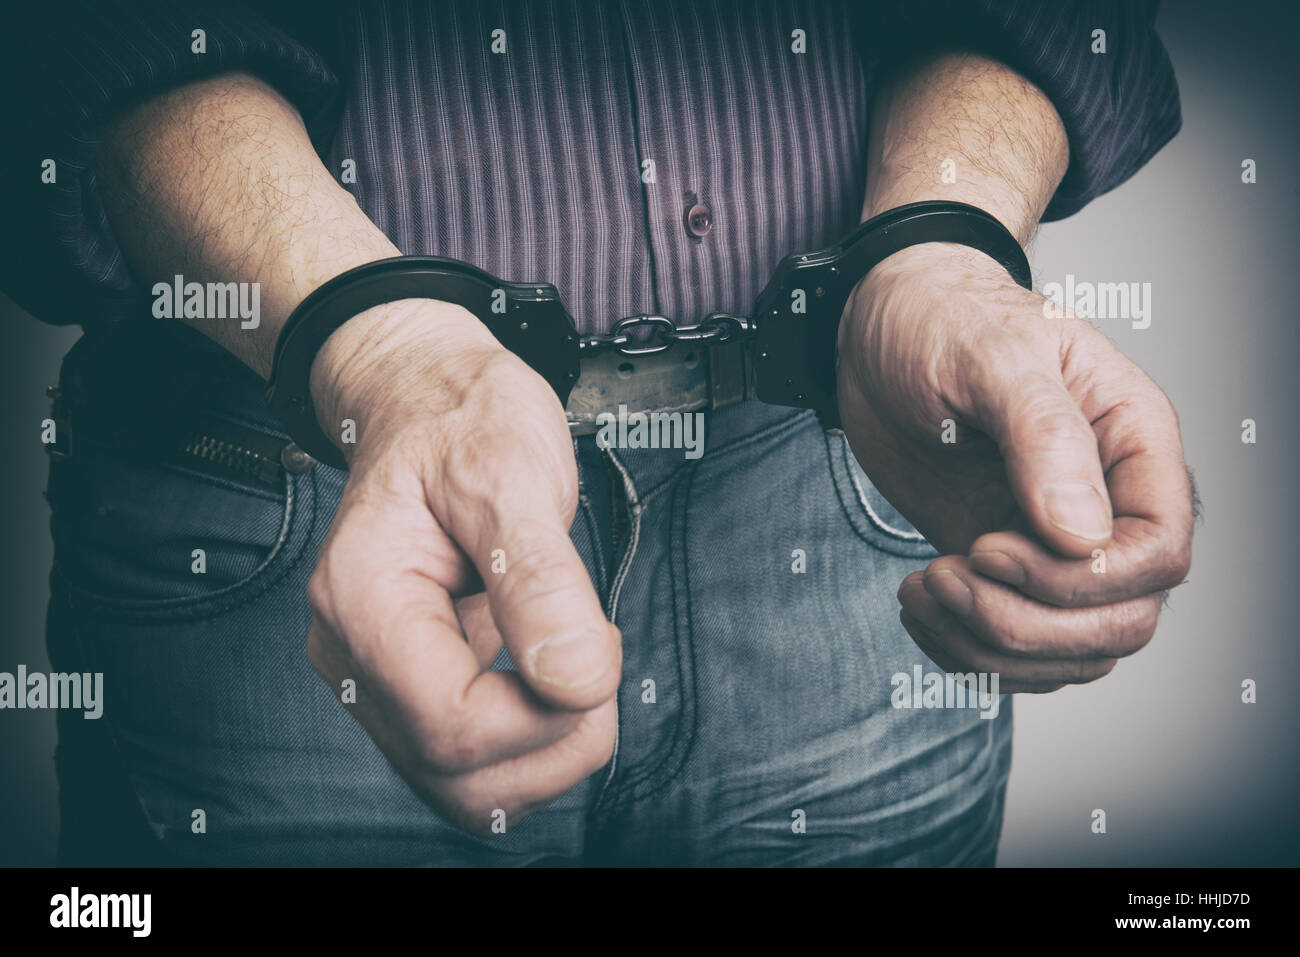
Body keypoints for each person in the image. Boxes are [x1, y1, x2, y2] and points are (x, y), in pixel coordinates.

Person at [1, 0, 1193, 865]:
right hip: (316, 498)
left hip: (850, 470)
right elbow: (107, 33)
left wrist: (944, 247)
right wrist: (379, 353)